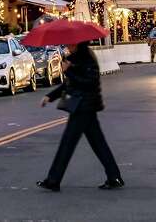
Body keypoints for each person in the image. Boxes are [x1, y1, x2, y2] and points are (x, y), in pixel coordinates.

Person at [36, 41, 124, 191]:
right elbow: (70, 84)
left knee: (67, 144)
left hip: (84, 107)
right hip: (83, 106)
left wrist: (69, 70)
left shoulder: (88, 59)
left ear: (79, 44)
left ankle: (53, 180)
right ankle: (114, 176)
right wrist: (50, 96)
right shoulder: (75, 58)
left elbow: (89, 82)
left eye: (71, 45)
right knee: (98, 144)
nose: (68, 47)